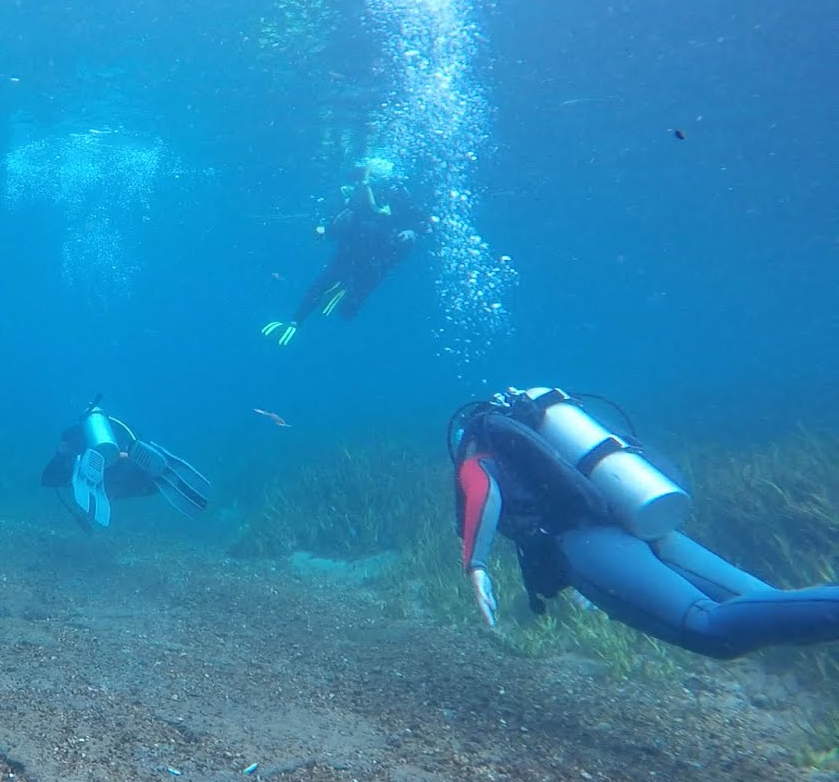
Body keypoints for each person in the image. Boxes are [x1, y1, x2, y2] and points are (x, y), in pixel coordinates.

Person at [451, 386, 839, 660]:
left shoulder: (479, 451)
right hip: (638, 518)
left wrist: (477, 565)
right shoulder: (544, 440)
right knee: (765, 602)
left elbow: (484, 492)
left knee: (710, 628)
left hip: (589, 542)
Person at [262, 165, 430, 346]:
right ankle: (295, 322)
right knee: (319, 286)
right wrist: (323, 232)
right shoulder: (354, 202)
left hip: (376, 263)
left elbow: (425, 223)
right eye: (364, 182)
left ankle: (344, 289)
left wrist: (412, 233)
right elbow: (335, 228)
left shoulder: (400, 198)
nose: (366, 186)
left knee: (347, 312)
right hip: (348, 255)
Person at [40, 399, 213, 533]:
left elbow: (48, 479)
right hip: (120, 463)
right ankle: (135, 454)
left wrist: (62, 456)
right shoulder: (108, 429)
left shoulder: (72, 447)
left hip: (104, 473)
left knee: (110, 480)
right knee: (151, 482)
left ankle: (127, 458)